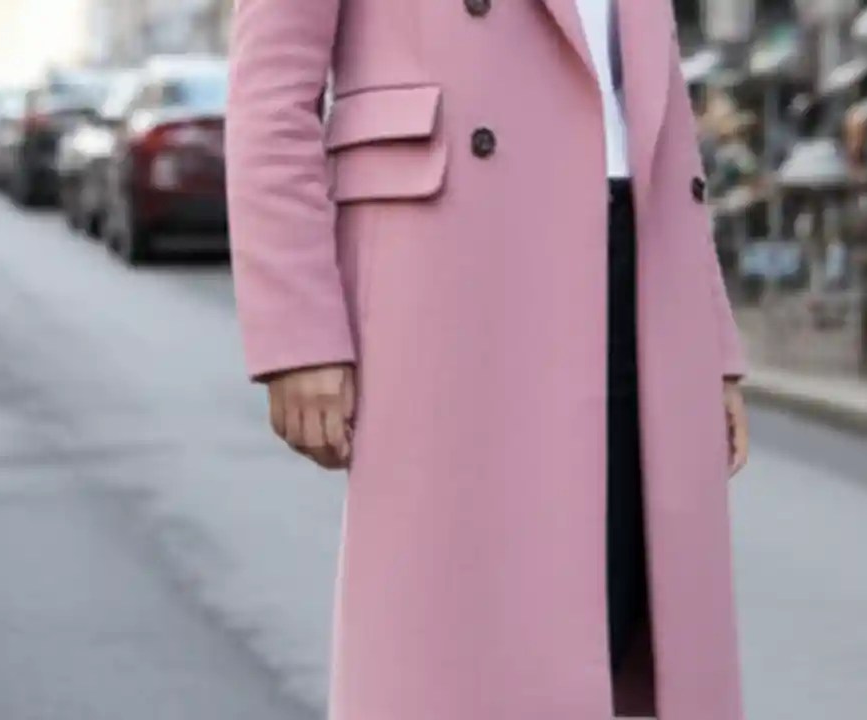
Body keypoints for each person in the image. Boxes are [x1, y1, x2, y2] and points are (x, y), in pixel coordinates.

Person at [225, 1, 751, 719]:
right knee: (466, 635)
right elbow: (271, 95)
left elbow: (658, 98)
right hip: (456, 256)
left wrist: (712, 340)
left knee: (630, 623)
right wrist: (299, 330)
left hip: (645, 265)